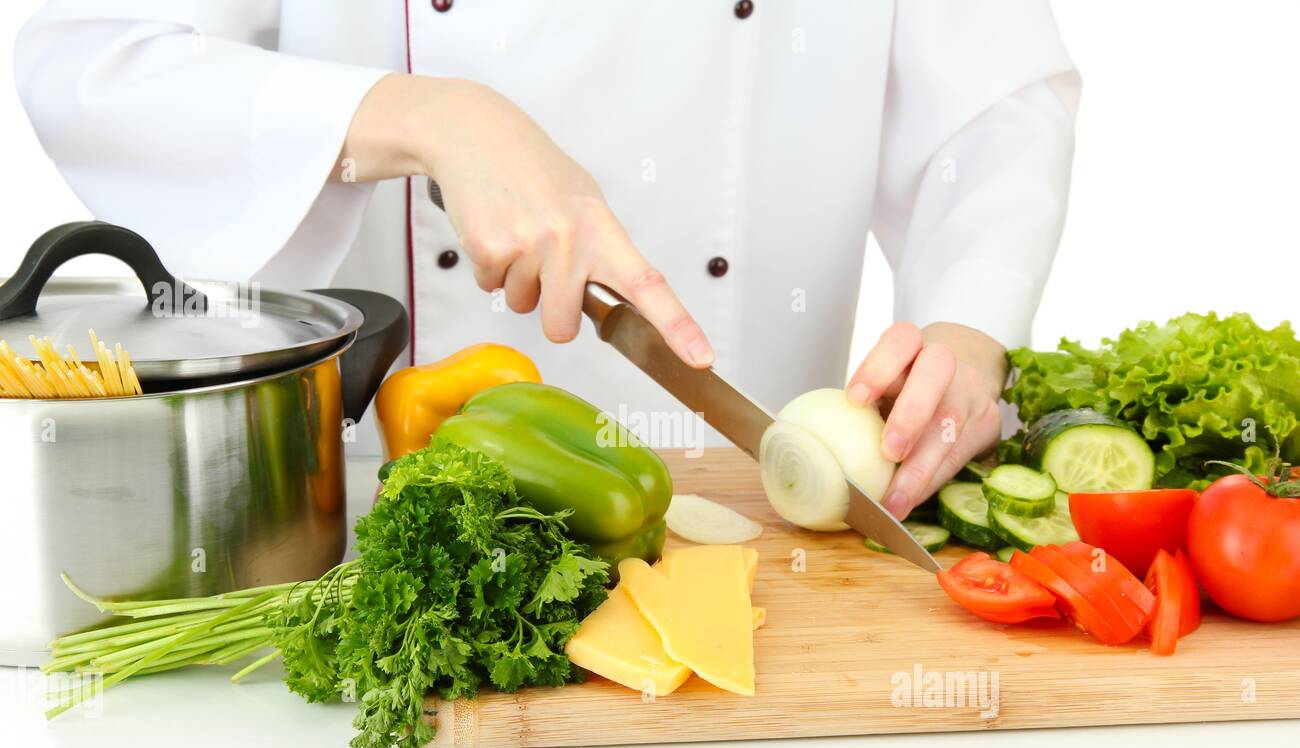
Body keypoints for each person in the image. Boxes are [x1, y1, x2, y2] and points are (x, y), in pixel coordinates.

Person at [15, 0, 1078, 519]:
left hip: (769, 532)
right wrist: (421, 114)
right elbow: (93, 55)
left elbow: (992, 96)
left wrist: (969, 325)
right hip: (386, 536)